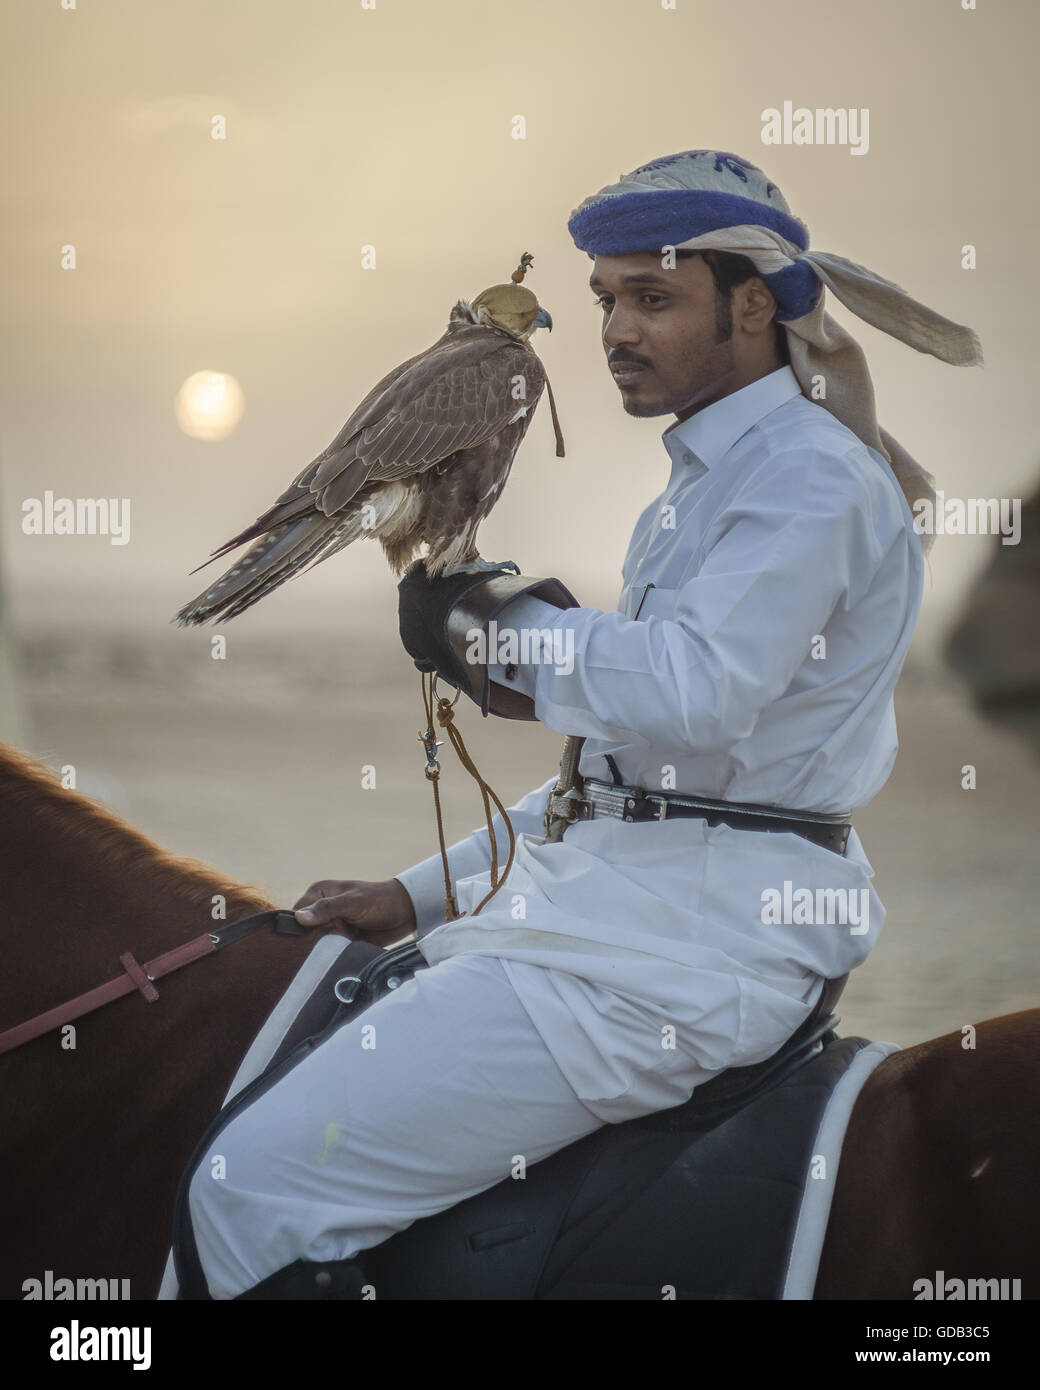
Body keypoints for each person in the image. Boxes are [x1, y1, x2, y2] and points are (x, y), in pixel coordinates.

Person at [182, 149, 980, 1299]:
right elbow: (621, 783)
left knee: (246, 1186)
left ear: (751, 306)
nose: (611, 326)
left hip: (677, 960)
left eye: (651, 297)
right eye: (605, 297)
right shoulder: (705, 484)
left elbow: (694, 690)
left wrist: (492, 628)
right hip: (625, 922)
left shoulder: (804, 481)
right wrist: (413, 893)